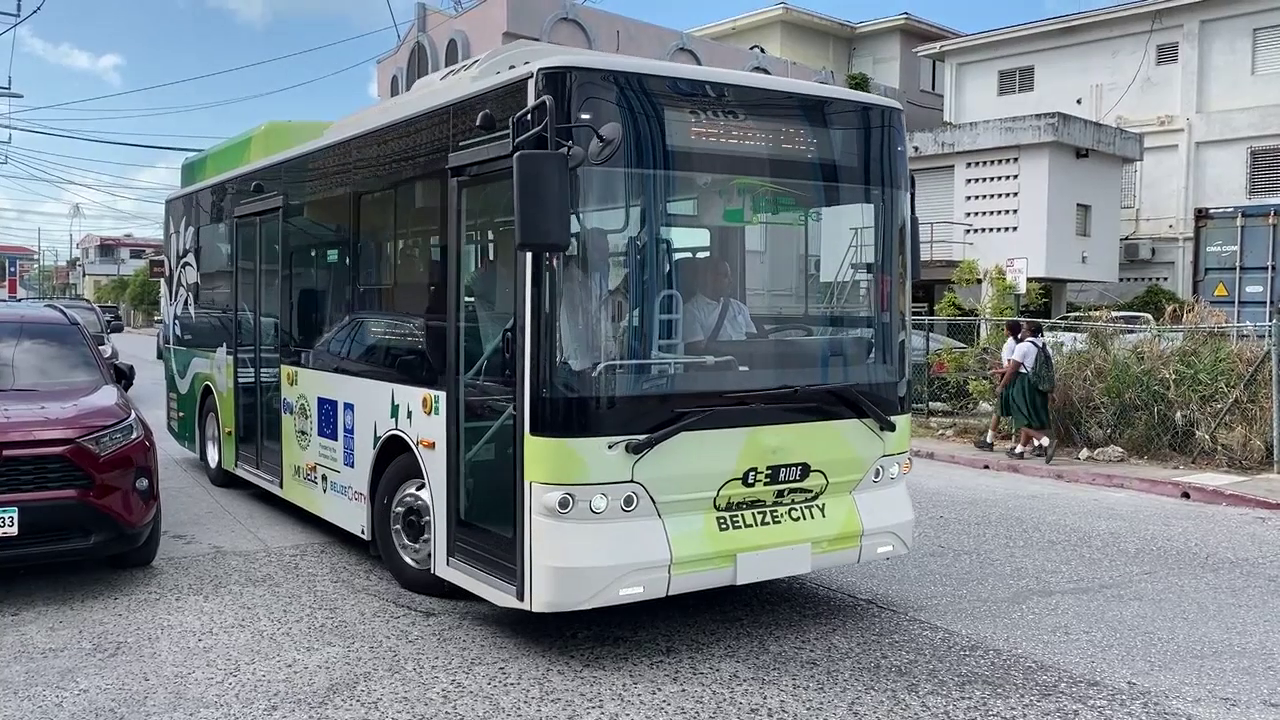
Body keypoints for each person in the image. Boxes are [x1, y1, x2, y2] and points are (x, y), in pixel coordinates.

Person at [559, 228, 628, 372]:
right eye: (600, 252)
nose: (606, 257)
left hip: (600, 360)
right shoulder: (570, 282)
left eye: (607, 252)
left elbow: (608, 314)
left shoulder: (597, 276)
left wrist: (623, 290)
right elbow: (579, 326)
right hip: (579, 365)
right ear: (585, 252)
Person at [996, 320, 1056, 463]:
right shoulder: (1043, 347)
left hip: (1024, 384)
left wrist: (1002, 386)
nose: (1021, 331)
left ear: (1029, 332)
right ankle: (1020, 449)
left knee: (1020, 417)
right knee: (1032, 418)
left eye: (1023, 329)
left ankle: (1045, 441)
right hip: (1039, 385)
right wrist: (1051, 391)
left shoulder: (1022, 347)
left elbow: (1012, 369)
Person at [682, 257, 758, 354]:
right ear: (709, 278)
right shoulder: (691, 311)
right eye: (725, 276)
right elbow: (697, 352)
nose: (731, 281)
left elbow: (754, 341)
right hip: (718, 366)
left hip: (747, 364)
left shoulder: (739, 307)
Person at [465, 228, 516, 359]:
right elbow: (464, 288)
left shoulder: (525, 274)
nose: (508, 251)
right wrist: (481, 272)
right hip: (495, 348)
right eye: (504, 246)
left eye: (510, 246)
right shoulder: (487, 275)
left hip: (521, 342)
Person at [974, 319, 1022, 452]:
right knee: (1020, 412)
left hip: (1009, 380)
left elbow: (1011, 368)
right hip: (1019, 380)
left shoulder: (1009, 345)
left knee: (999, 411)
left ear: (1008, 331)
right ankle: (1037, 443)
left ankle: (989, 441)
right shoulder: (1021, 343)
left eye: (1005, 328)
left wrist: (996, 372)